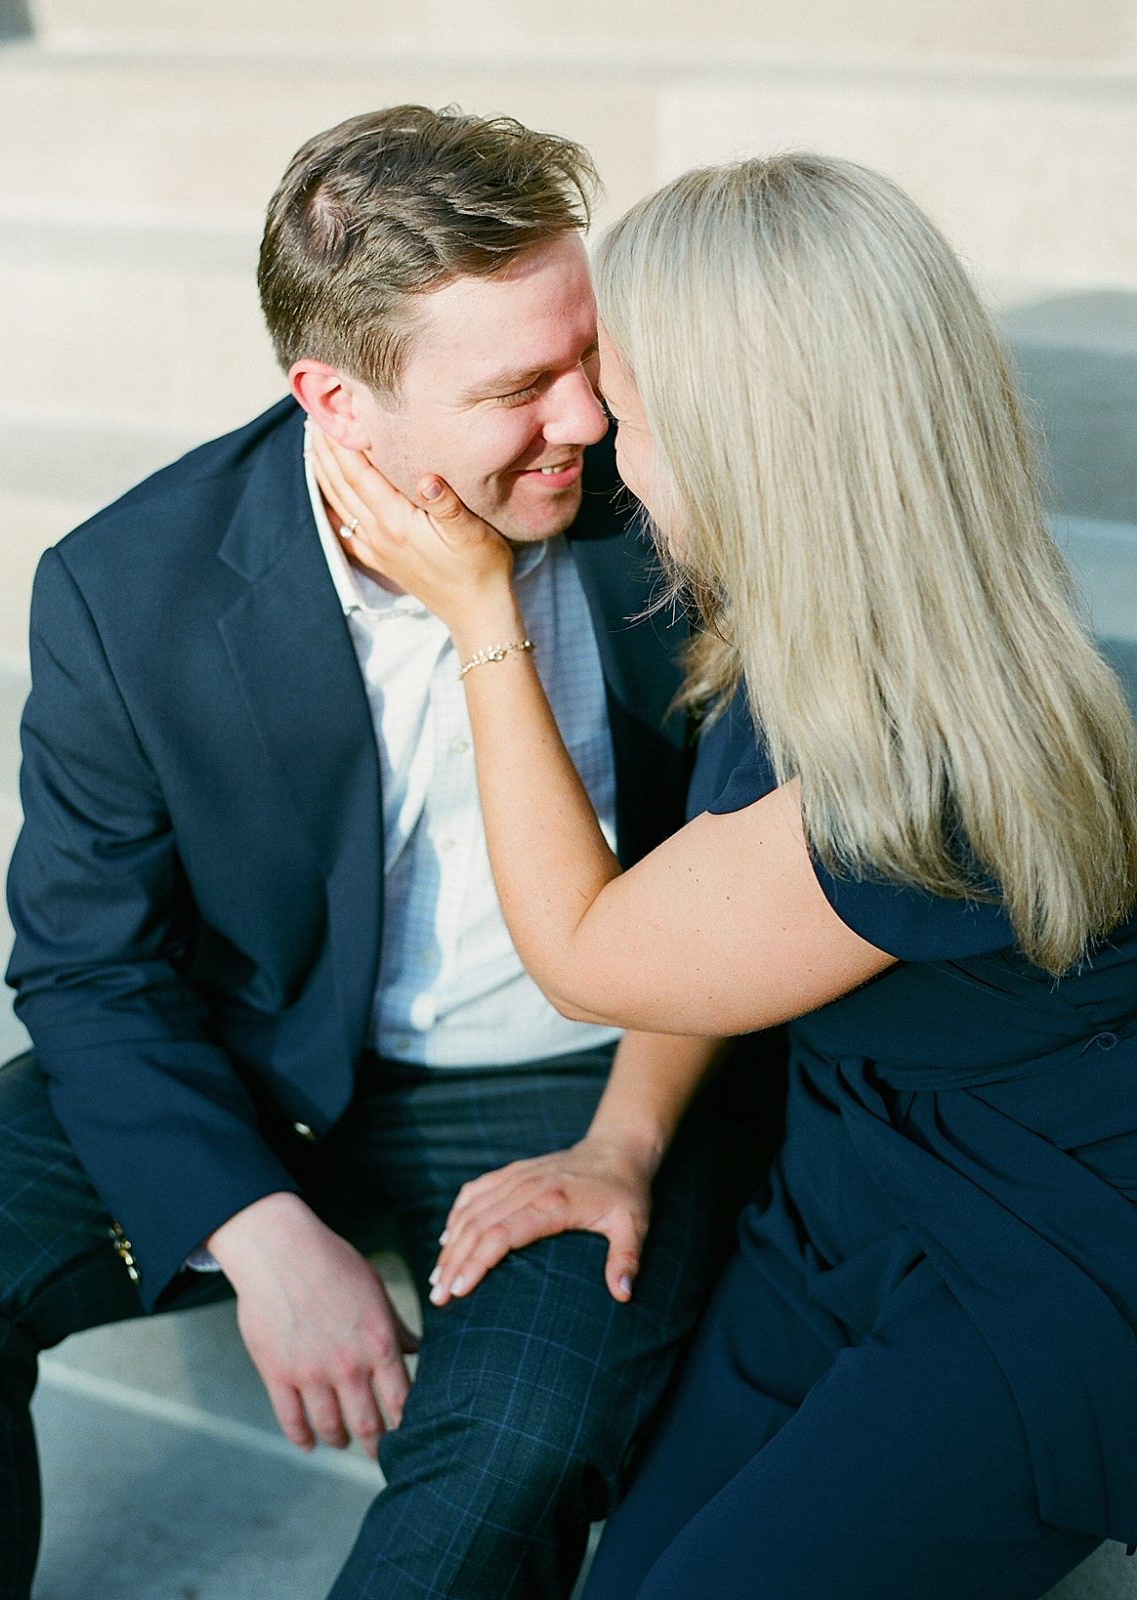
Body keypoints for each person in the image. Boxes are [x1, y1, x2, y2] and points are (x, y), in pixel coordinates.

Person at [308, 151, 1137, 1600]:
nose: (601, 445)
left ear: (746, 442)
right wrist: (622, 1145)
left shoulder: (929, 754)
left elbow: (592, 947)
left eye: (623, 409)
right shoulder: (818, 607)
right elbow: (714, 911)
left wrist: (477, 615)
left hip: (1043, 1261)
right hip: (843, 1180)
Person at [0, 106, 747, 1600]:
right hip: (259, 1063)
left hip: (581, 1078)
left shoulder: (671, 504)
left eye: (590, 354)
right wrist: (252, 1228)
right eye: (522, 386)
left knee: (510, 1451)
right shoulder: (130, 591)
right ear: (336, 398)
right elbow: (86, 968)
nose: (586, 419)